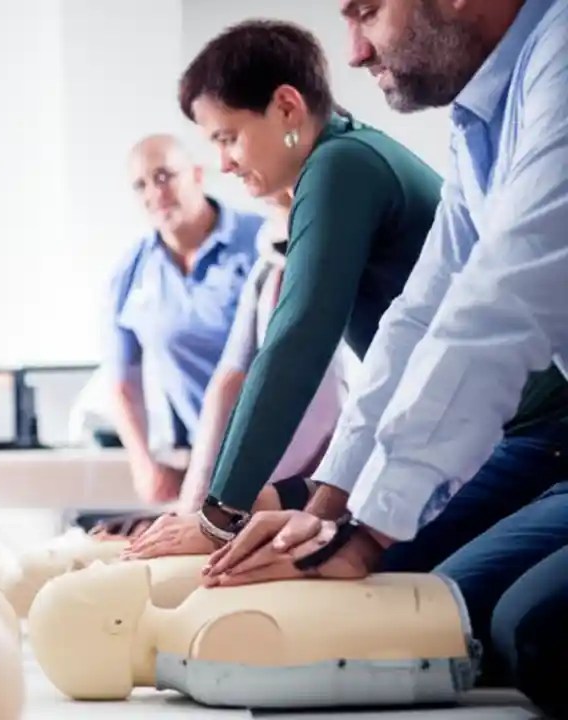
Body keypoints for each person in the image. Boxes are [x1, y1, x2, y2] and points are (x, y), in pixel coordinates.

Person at [199, 1, 568, 715]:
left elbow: (498, 307)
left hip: (537, 435)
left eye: (367, 13)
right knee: (448, 610)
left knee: (527, 632)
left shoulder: (344, 161)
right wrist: (332, 507)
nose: (357, 53)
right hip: (529, 440)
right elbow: (418, 317)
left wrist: (358, 535)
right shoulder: (477, 124)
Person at [127, 17, 568, 568]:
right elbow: (396, 341)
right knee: (290, 518)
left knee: (330, 570)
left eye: (228, 137)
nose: (224, 163)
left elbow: (298, 340)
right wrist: (293, 503)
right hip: (460, 430)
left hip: (521, 431)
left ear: (288, 109)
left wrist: (221, 517)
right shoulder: (345, 160)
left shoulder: (340, 166)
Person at [107, 134, 265, 506]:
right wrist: (144, 464)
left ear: (196, 174)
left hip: (278, 451)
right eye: (141, 184)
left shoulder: (259, 241)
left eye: (164, 176)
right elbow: (122, 382)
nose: (154, 192)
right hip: (197, 458)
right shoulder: (132, 270)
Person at [172, 191, 346, 515]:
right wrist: (199, 491)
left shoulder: (342, 268)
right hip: (279, 474)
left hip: (338, 467)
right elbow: (230, 377)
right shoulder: (267, 271)